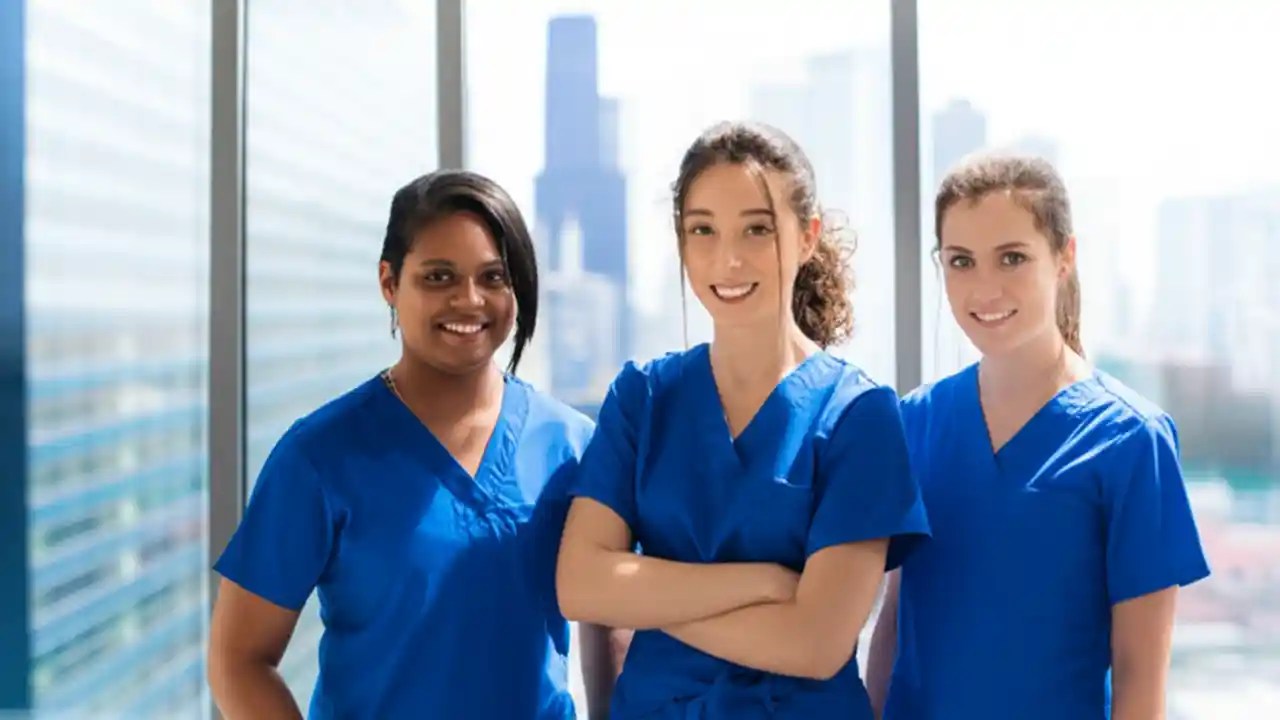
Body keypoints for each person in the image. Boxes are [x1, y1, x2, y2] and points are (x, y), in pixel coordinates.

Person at [207, 170, 616, 719]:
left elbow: (610, 624)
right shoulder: (320, 457)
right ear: (389, 283)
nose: (468, 300)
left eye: (493, 277)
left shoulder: (574, 446)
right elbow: (239, 658)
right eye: (439, 277)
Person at [555, 121, 931, 719]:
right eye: (702, 229)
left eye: (756, 229)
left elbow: (816, 644)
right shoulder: (642, 398)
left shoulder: (858, 414)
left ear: (807, 237)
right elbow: (579, 584)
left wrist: (647, 600)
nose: (727, 258)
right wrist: (762, 583)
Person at [866, 153, 1211, 720]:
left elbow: (1140, 679)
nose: (985, 288)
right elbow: (893, 629)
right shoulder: (913, 423)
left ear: (1064, 257)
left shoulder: (1131, 441)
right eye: (961, 261)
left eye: (1012, 259)